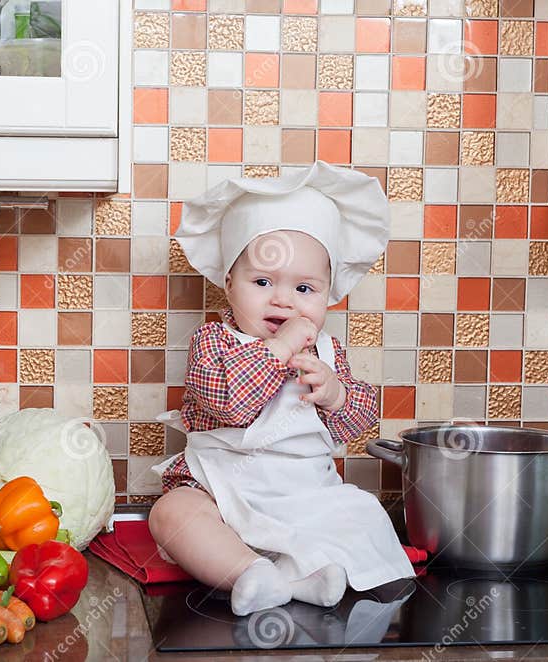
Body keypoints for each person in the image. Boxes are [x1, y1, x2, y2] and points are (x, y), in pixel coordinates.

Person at [148, 160, 415, 616]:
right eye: (263, 281)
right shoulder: (213, 342)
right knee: (171, 515)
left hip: (304, 493)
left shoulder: (327, 352)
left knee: (363, 510)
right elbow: (230, 404)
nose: (283, 299)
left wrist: (335, 395)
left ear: (330, 294)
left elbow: (360, 421)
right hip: (218, 487)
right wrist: (280, 346)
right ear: (229, 283)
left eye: (305, 288)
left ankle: (298, 582)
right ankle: (250, 572)